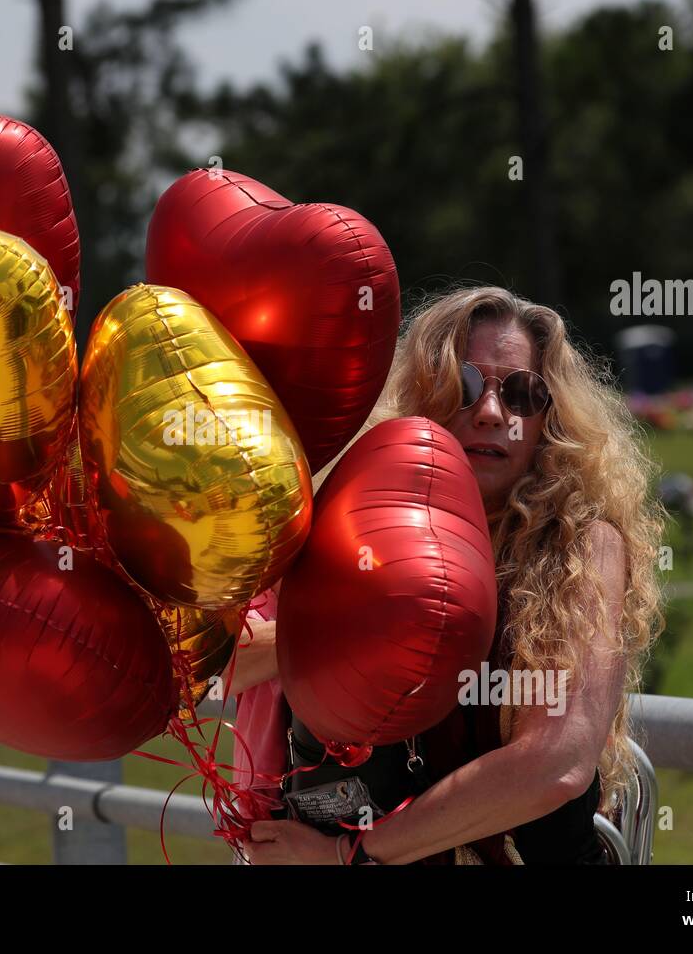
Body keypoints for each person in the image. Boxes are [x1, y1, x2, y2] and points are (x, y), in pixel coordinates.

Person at [226, 286, 666, 865]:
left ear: (549, 420)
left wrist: (351, 856)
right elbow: (219, 666)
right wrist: (359, 631)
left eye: (521, 394)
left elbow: (555, 763)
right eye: (463, 386)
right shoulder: (350, 524)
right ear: (421, 397)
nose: (490, 412)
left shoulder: (584, 545)